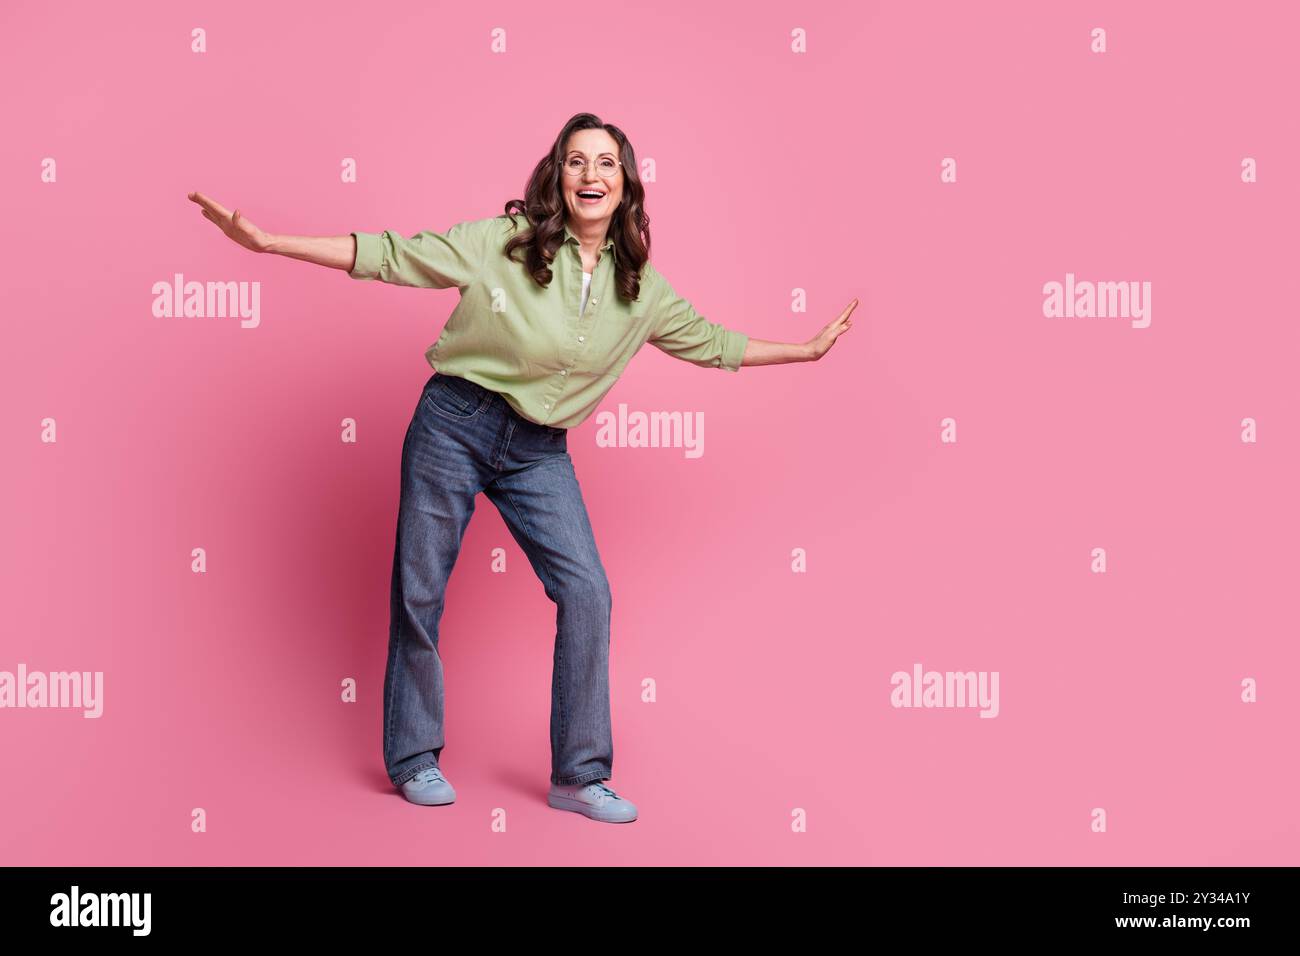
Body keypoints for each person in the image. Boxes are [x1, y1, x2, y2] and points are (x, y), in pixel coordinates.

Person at [188, 112, 856, 824]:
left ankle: (578, 777)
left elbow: (713, 343)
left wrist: (804, 349)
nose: (590, 174)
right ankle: (414, 758)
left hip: (539, 451)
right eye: (576, 162)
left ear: (627, 182)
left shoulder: (643, 293)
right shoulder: (502, 245)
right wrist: (268, 243)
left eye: (605, 163)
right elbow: (393, 255)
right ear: (558, 177)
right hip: (455, 422)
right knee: (421, 590)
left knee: (588, 591)